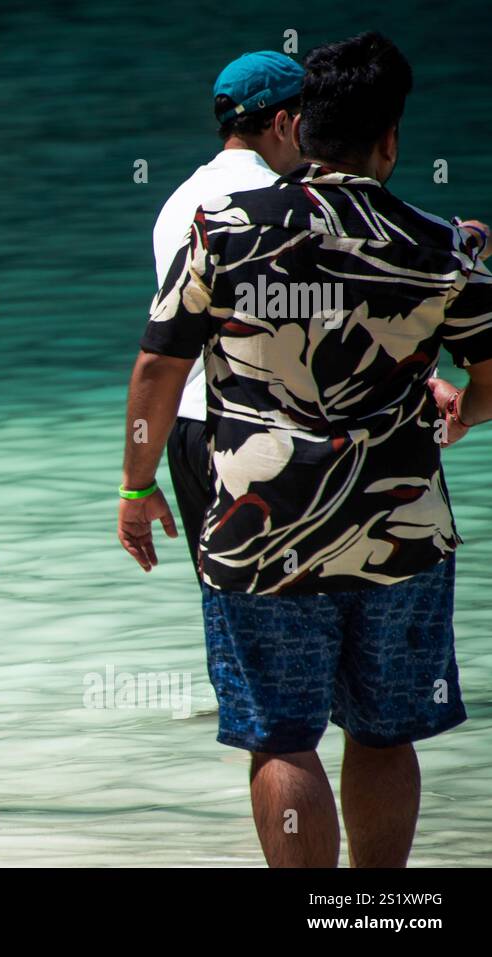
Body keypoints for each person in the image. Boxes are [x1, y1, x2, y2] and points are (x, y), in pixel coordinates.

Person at [118, 32, 492, 866]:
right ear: (390, 139)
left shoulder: (223, 231)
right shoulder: (440, 244)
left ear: (305, 127)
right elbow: (490, 370)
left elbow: (157, 366)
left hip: (262, 527)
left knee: (283, 739)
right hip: (399, 527)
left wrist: (135, 482)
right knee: (387, 732)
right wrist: (465, 411)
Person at [155, 51, 304, 579]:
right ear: (286, 123)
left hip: (188, 431)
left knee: (225, 610)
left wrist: (136, 481)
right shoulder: (282, 204)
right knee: (287, 612)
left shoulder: (178, 202)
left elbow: (164, 347)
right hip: (254, 434)